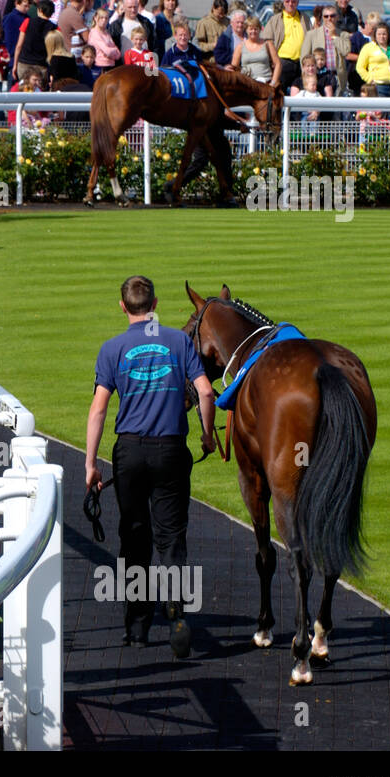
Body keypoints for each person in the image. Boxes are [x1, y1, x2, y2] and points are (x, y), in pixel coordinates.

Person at [85, 276, 215, 657]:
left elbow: (99, 408)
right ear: (154, 302)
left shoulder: (112, 349)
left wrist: (91, 464)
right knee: (171, 537)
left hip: (130, 453)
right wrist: (208, 435)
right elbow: (206, 391)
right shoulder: (177, 340)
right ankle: (176, 613)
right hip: (171, 450)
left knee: (135, 536)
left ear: (122, 306)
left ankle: (137, 629)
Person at [356, 22, 390, 98]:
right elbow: (360, 67)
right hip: (378, 86)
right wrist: (370, 79)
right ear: (375, 35)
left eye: (384, 34)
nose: (382, 36)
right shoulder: (368, 48)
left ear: (388, 35)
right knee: (381, 109)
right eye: (379, 34)